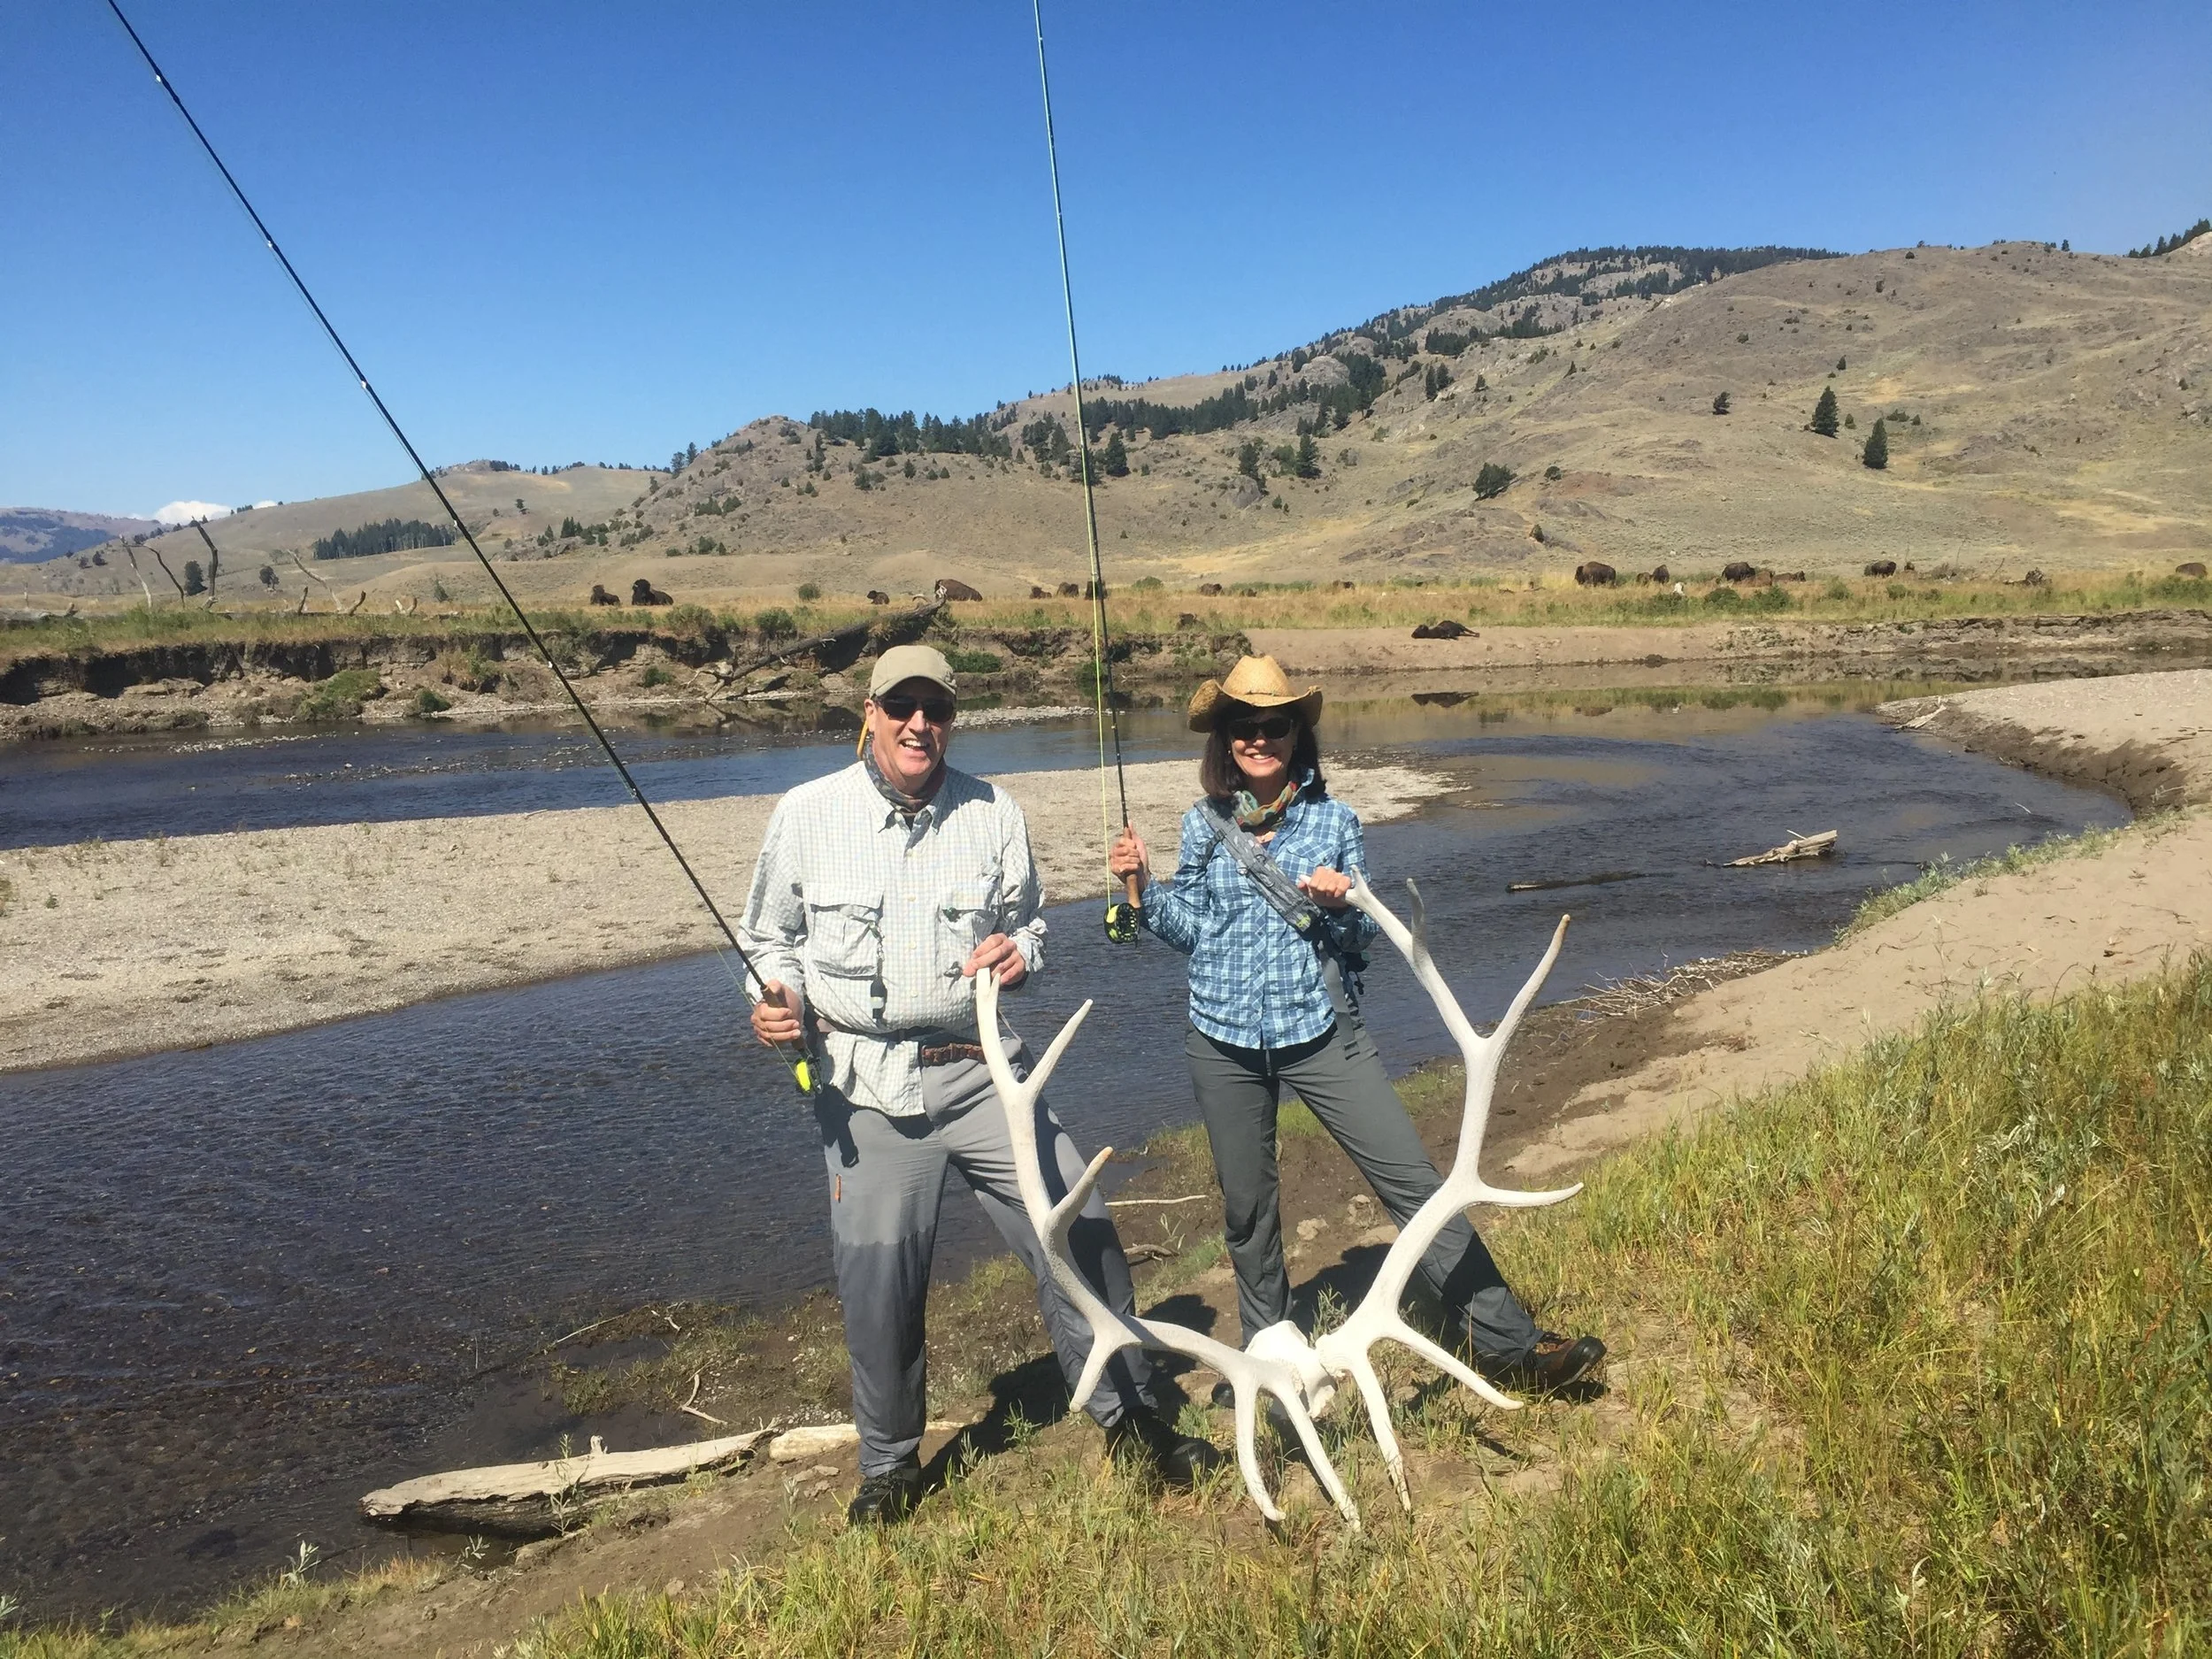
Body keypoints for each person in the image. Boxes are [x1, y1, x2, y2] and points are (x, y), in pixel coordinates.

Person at [741, 643, 1221, 1525]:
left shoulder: (994, 811)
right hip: (864, 1086)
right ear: (871, 712)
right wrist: (776, 1000)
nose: (919, 723)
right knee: (878, 1281)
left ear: (952, 718)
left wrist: (1020, 953)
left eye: (936, 708)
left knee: (1081, 1228)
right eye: (902, 706)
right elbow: (769, 942)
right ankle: (889, 1466)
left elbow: (1031, 927)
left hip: (984, 1068)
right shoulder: (806, 814)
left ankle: (1132, 1415)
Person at [1108, 654, 1605, 1394]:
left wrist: (1346, 906)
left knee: (1414, 1182)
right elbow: (1194, 930)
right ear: (1225, 739)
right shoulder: (1203, 824)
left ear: (1295, 734)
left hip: (1322, 1031)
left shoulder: (1336, 821)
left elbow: (1362, 941)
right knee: (1248, 1213)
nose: (1259, 739)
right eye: (1244, 726)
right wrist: (1142, 886)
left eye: (1274, 725)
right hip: (1221, 1038)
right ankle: (1273, 1367)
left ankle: (1509, 1343)